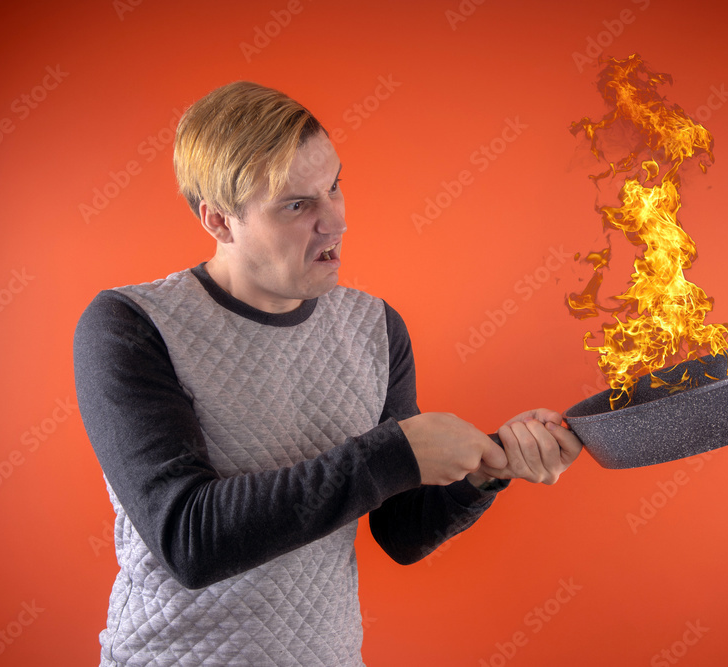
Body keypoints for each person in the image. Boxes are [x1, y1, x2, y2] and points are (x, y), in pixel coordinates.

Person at [73, 81, 583, 666]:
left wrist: (492, 468)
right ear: (218, 220)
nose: (334, 222)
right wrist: (392, 452)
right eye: (297, 205)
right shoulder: (130, 326)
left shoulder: (374, 326)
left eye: (335, 186)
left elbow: (402, 532)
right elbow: (188, 540)